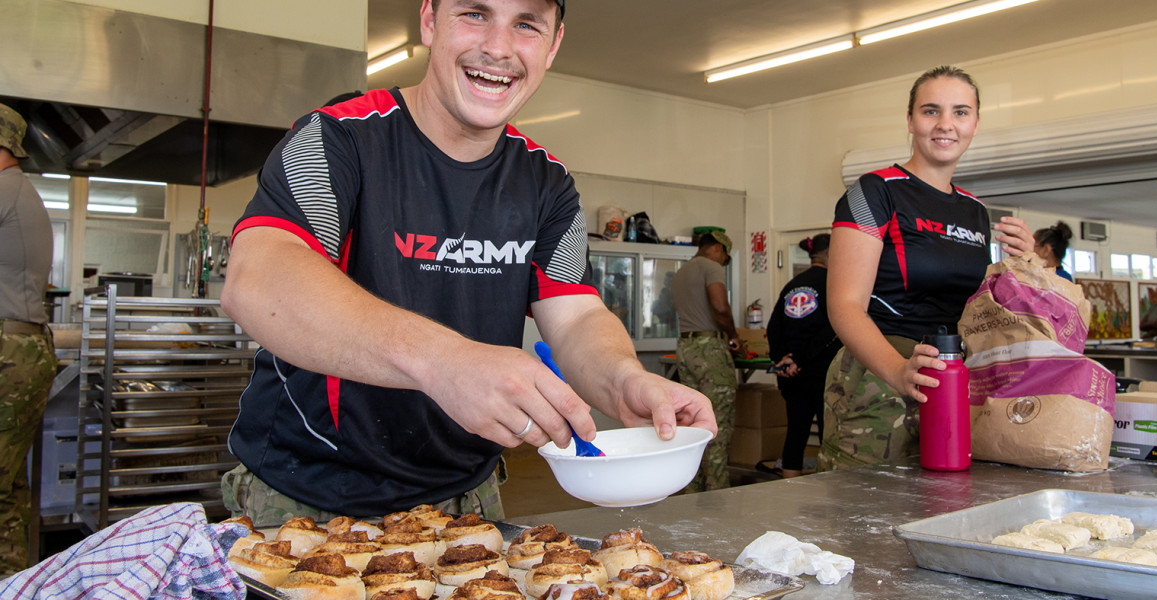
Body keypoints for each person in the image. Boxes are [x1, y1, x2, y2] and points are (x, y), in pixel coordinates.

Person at [219, 0, 716, 525]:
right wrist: (444, 362)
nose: (498, 48)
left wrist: (622, 380)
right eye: (474, 14)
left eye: (526, 24)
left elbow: (575, 315)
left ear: (553, 45)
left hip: (469, 500)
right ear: (430, 21)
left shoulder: (546, 183)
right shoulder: (335, 138)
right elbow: (257, 281)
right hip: (310, 497)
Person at [820, 66, 1034, 471]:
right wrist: (898, 371)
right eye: (931, 111)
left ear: (975, 123)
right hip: (881, 371)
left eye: (960, 112)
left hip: (952, 374)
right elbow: (844, 305)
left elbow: (982, 310)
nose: (945, 125)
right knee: (863, 517)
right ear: (910, 119)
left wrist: (1025, 263)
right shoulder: (874, 191)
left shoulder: (976, 211)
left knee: (941, 502)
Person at [0, 103, 56, 577]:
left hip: (9, 351)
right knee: (8, 484)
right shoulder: (19, 190)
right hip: (21, 347)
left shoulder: (4, 189)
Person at [766, 234, 842, 478]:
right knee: (827, 434)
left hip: (791, 375)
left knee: (796, 433)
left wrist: (783, 360)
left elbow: (773, 328)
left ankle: (791, 493)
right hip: (821, 373)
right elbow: (832, 328)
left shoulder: (792, 285)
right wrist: (801, 359)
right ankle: (828, 493)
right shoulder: (834, 284)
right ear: (830, 253)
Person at [670, 230, 739, 491]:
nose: (723, 262)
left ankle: (691, 488)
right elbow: (720, 307)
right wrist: (733, 336)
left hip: (685, 347)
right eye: (725, 256)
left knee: (690, 422)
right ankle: (718, 492)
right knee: (718, 422)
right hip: (709, 348)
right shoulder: (711, 267)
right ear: (719, 248)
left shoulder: (681, 272)